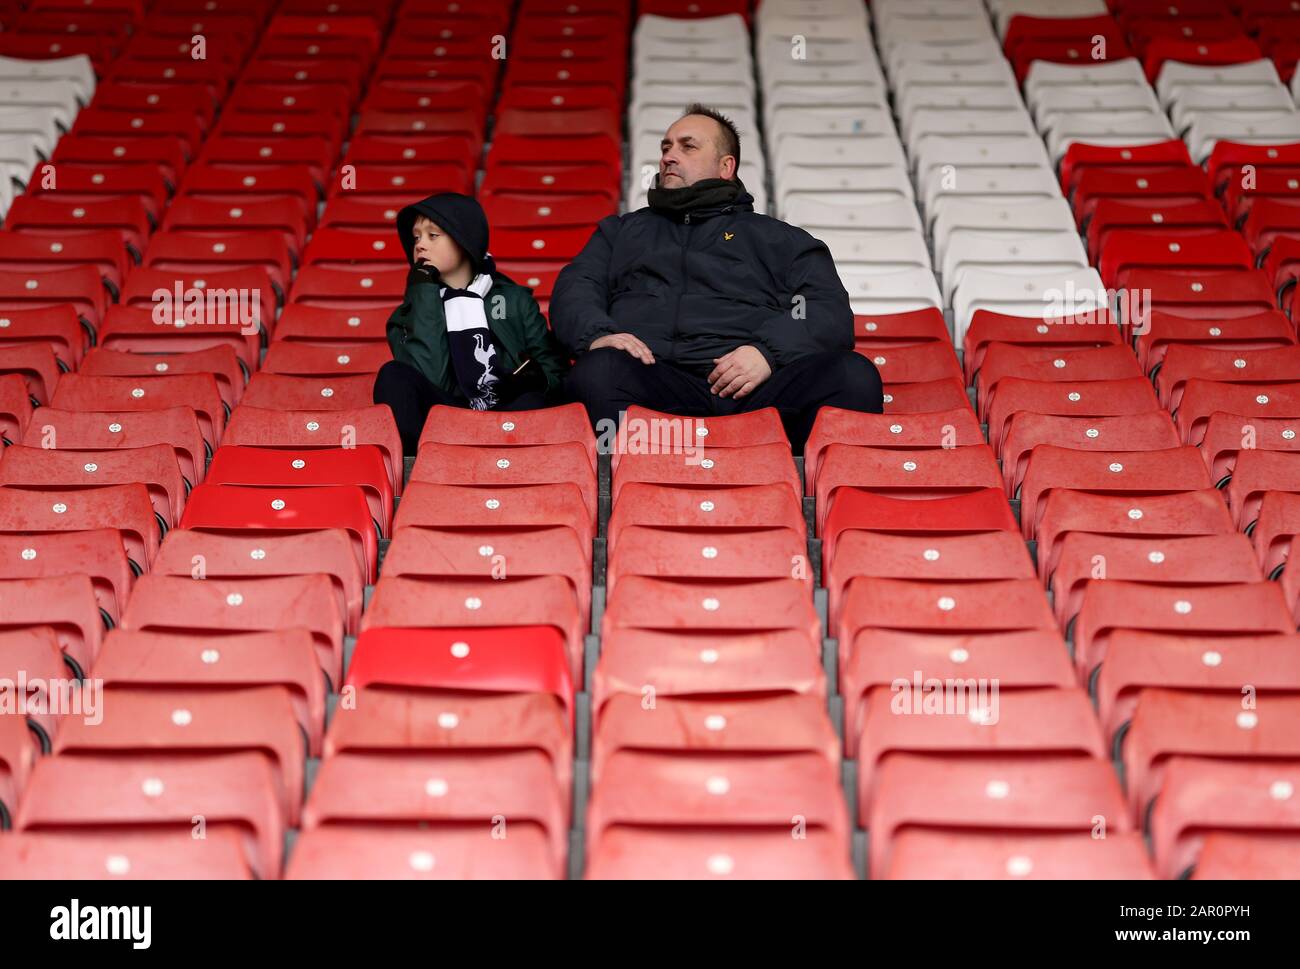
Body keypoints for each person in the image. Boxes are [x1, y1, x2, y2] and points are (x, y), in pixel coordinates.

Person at [549, 103, 883, 453]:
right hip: (655, 383)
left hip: (755, 393)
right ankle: (639, 488)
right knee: (597, 370)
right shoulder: (621, 232)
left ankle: (799, 489)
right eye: (666, 147)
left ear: (726, 167)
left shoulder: (780, 239)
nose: (669, 157)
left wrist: (767, 353)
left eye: (687, 146)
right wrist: (599, 336)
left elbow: (824, 308)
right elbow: (576, 287)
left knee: (852, 375)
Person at [373, 192, 569, 455]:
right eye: (416, 237)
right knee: (393, 375)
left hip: (509, 415)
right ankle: (419, 468)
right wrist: (424, 295)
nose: (420, 245)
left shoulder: (513, 300)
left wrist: (536, 379)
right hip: (443, 421)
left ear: (464, 239)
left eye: (433, 235)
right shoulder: (407, 315)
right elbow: (431, 378)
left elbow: (558, 374)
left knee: (533, 399)